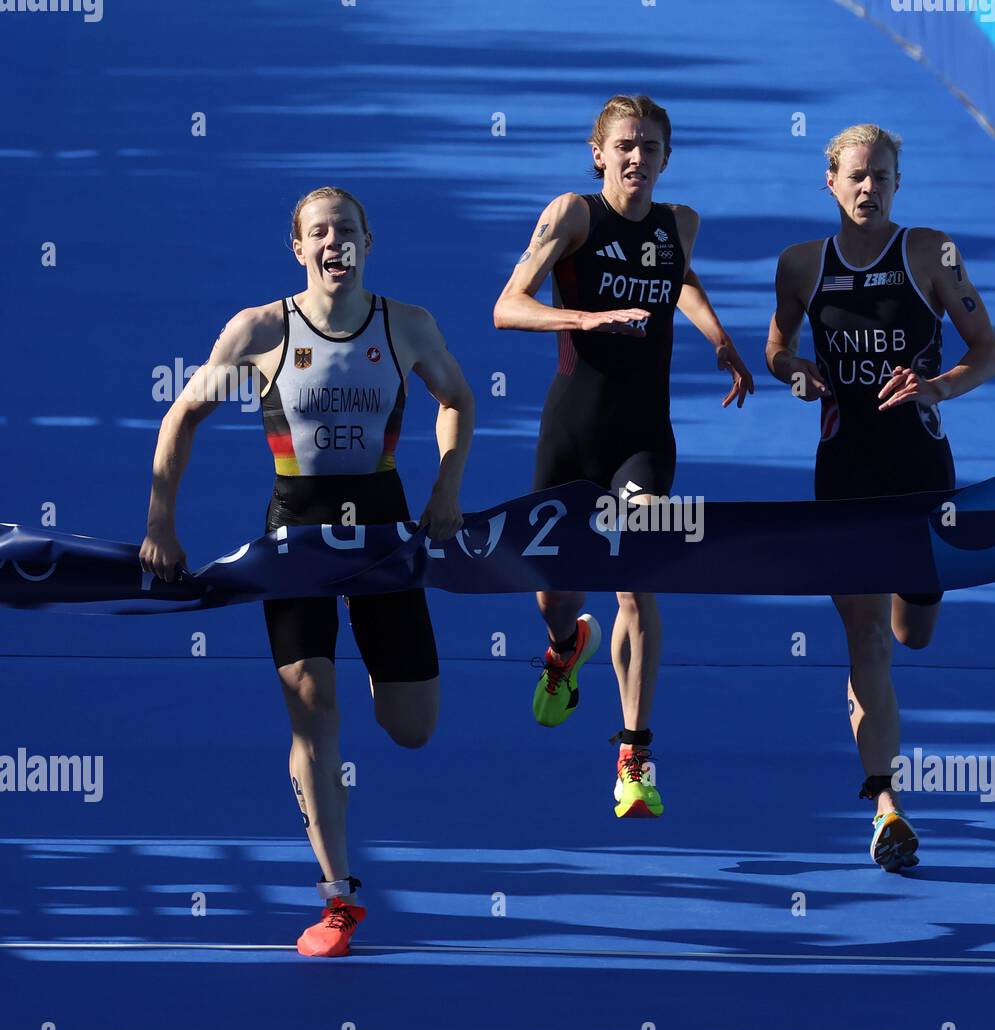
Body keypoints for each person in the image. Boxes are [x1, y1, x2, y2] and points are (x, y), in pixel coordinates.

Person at [139, 186, 474, 952]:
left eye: (347, 230)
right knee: (311, 703)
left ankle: (369, 655)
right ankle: (337, 897)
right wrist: (161, 521)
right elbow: (181, 414)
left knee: (410, 726)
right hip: (296, 537)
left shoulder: (407, 325)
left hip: (386, 535)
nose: (334, 242)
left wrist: (446, 486)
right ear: (297, 248)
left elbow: (457, 399)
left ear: (368, 240)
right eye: (319, 232)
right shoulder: (260, 331)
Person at [493, 94, 754, 819]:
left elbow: (680, 281)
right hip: (571, 431)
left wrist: (718, 337)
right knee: (558, 592)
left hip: (643, 437)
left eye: (650, 147)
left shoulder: (680, 225)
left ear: (667, 158)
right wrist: (589, 317)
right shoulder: (573, 216)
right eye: (625, 146)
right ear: (598, 154)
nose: (637, 158)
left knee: (635, 579)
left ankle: (634, 754)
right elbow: (507, 304)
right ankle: (564, 646)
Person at [765, 125, 995, 871]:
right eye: (857, 177)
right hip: (845, 476)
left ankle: (902, 642)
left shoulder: (931, 253)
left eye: (884, 177)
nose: (870, 189)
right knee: (865, 639)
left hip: (923, 472)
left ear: (899, 183)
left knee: (914, 631)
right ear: (829, 182)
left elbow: (987, 351)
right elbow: (777, 352)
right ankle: (885, 805)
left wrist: (937, 386)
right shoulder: (801, 266)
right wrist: (807, 378)